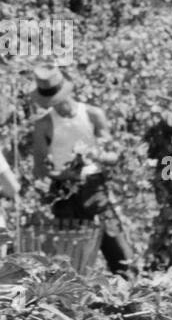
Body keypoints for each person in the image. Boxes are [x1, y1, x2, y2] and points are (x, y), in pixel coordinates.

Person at [27, 65, 133, 274]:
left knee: (119, 252)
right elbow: (39, 168)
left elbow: (113, 156)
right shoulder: (44, 124)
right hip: (64, 192)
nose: (56, 106)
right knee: (71, 256)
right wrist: (64, 174)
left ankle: (127, 292)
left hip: (95, 189)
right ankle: (75, 300)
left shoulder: (93, 115)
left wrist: (97, 156)